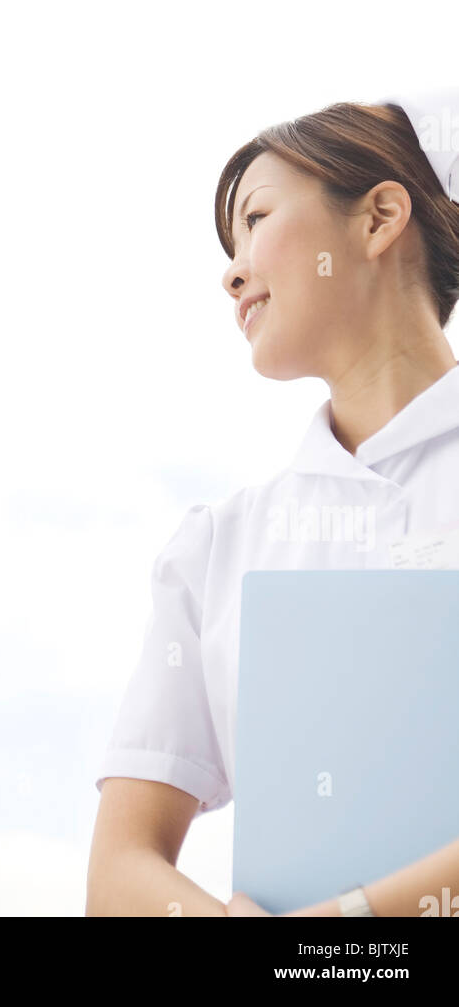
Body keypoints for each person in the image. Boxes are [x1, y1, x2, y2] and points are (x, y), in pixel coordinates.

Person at [85, 93, 459, 917]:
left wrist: (346, 930)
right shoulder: (217, 550)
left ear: (379, 218)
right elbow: (119, 873)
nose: (233, 269)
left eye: (256, 217)